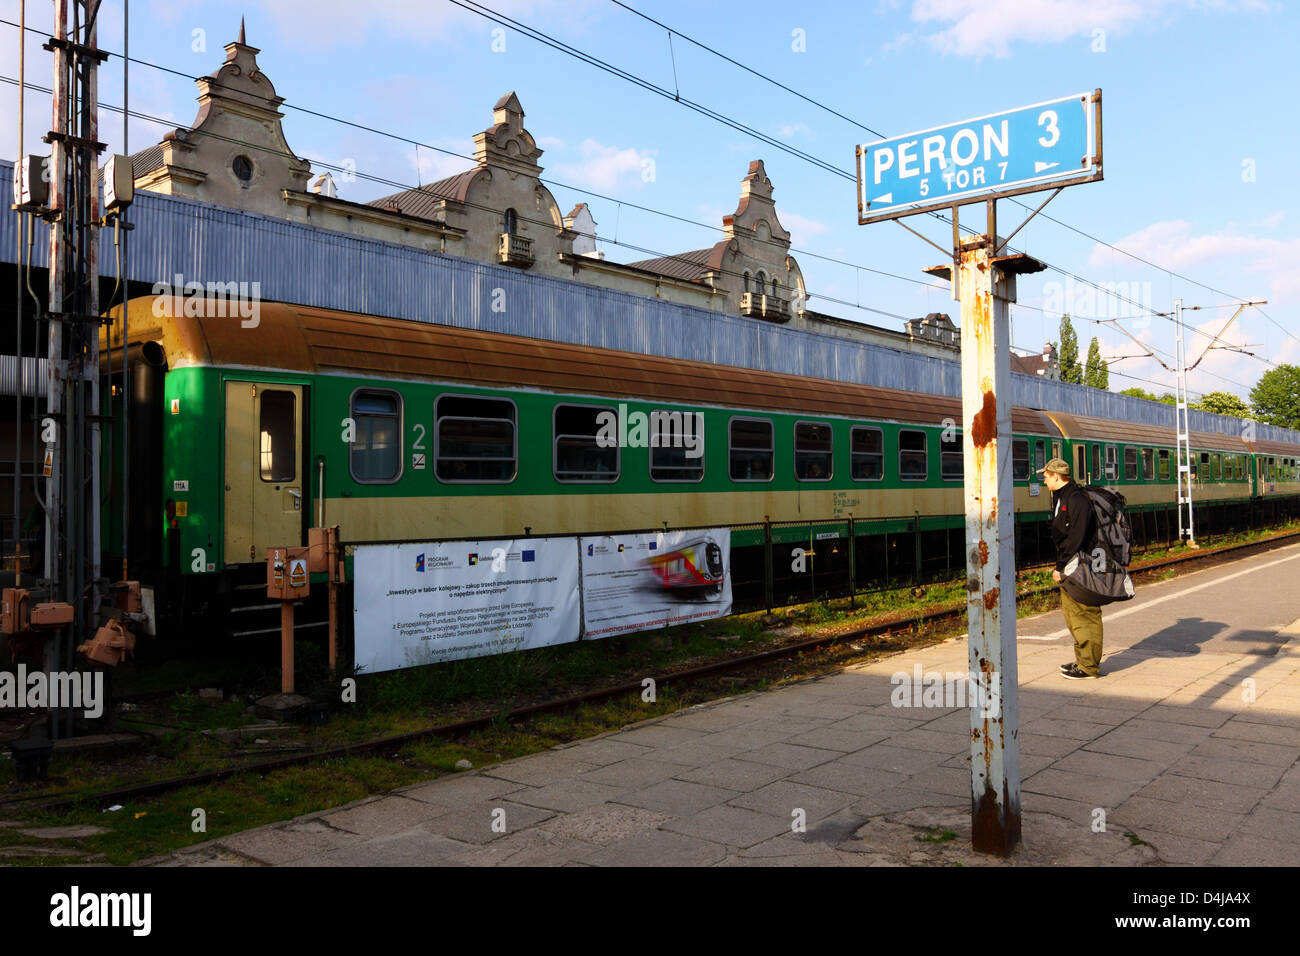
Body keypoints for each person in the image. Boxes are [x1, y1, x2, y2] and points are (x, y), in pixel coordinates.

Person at [1040, 457, 1103, 679]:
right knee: (1074, 615)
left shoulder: (1076, 499)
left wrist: (1061, 566)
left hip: (1080, 565)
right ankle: (1083, 660)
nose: (1044, 480)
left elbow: (1076, 537)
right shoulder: (1064, 496)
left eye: (1046, 476)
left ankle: (1088, 667)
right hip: (1074, 564)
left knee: (1084, 613)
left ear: (1057, 476)